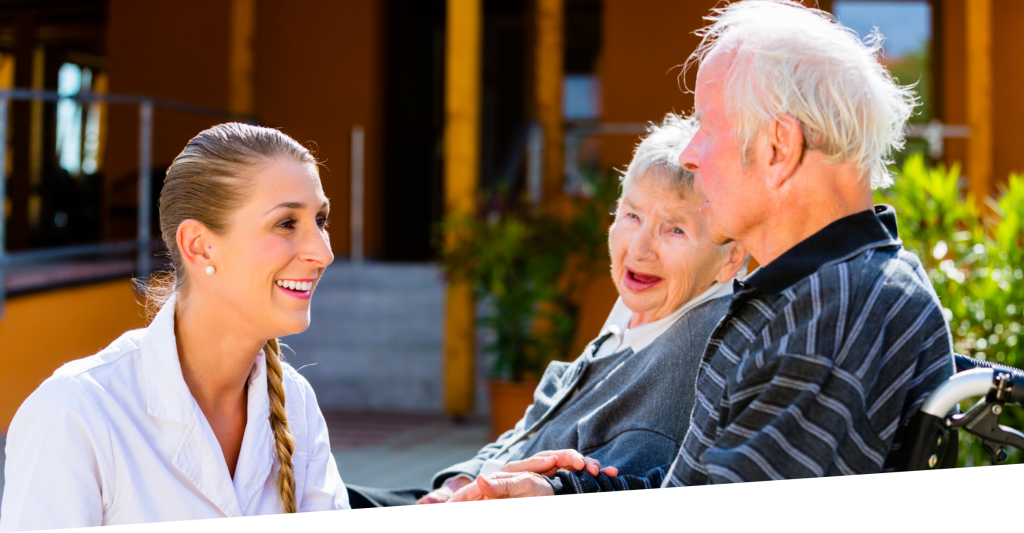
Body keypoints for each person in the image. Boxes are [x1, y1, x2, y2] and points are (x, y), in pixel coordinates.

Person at [449, 0, 955, 501]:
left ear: (778, 147)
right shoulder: (813, 292)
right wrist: (557, 489)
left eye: (708, 127)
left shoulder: (841, 309)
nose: (689, 155)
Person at [344, 113, 747, 508]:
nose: (639, 249)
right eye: (631, 215)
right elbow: (535, 427)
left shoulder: (697, 347)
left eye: (675, 229)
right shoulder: (644, 309)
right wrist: (463, 480)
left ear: (731, 258)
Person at [0, 123, 349, 530]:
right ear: (199, 246)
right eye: (287, 223)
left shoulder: (296, 404)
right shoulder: (73, 416)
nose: (323, 252)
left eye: (320, 220)